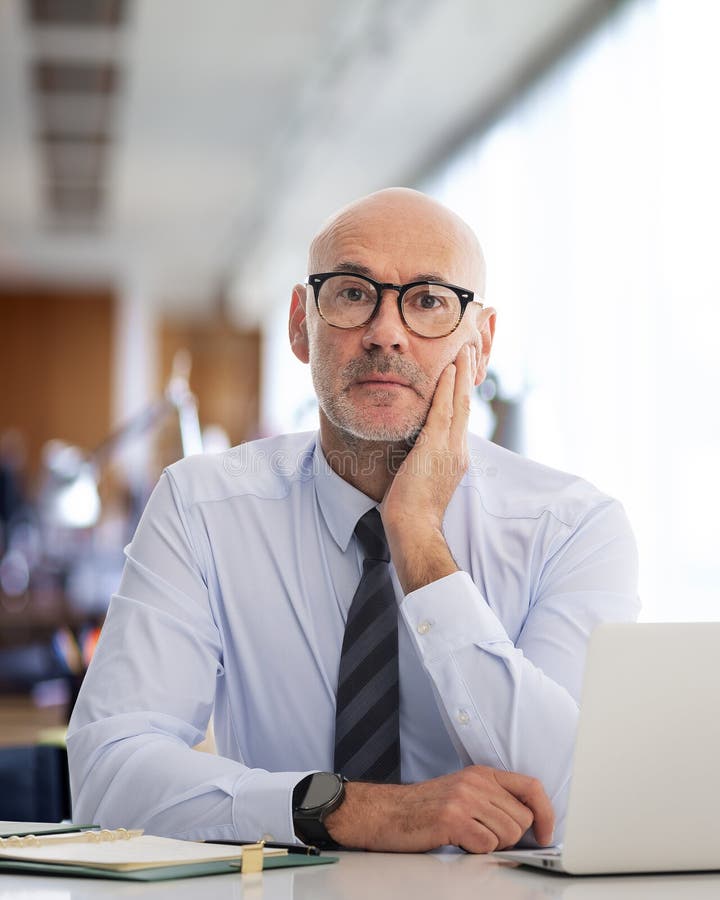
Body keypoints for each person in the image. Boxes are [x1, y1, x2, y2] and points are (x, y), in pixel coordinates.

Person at [67, 188, 639, 853]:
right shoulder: (202, 508)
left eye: (428, 300)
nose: (386, 331)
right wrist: (349, 810)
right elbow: (106, 775)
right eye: (352, 293)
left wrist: (420, 542)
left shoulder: (574, 528)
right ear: (299, 325)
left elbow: (572, 802)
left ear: (479, 345)